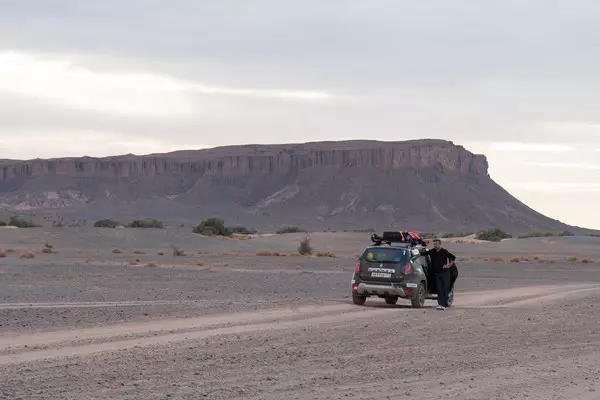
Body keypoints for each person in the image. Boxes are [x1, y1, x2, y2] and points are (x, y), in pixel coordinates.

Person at [420, 238, 456, 310]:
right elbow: (423, 253)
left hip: (445, 273)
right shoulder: (432, 251)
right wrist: (415, 253)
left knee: (445, 289)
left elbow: (453, 258)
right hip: (437, 274)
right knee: (439, 289)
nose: (435, 246)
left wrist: (448, 265)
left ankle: (444, 305)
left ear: (439, 244)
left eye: (436, 244)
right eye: (434, 244)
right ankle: (440, 304)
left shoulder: (444, 252)